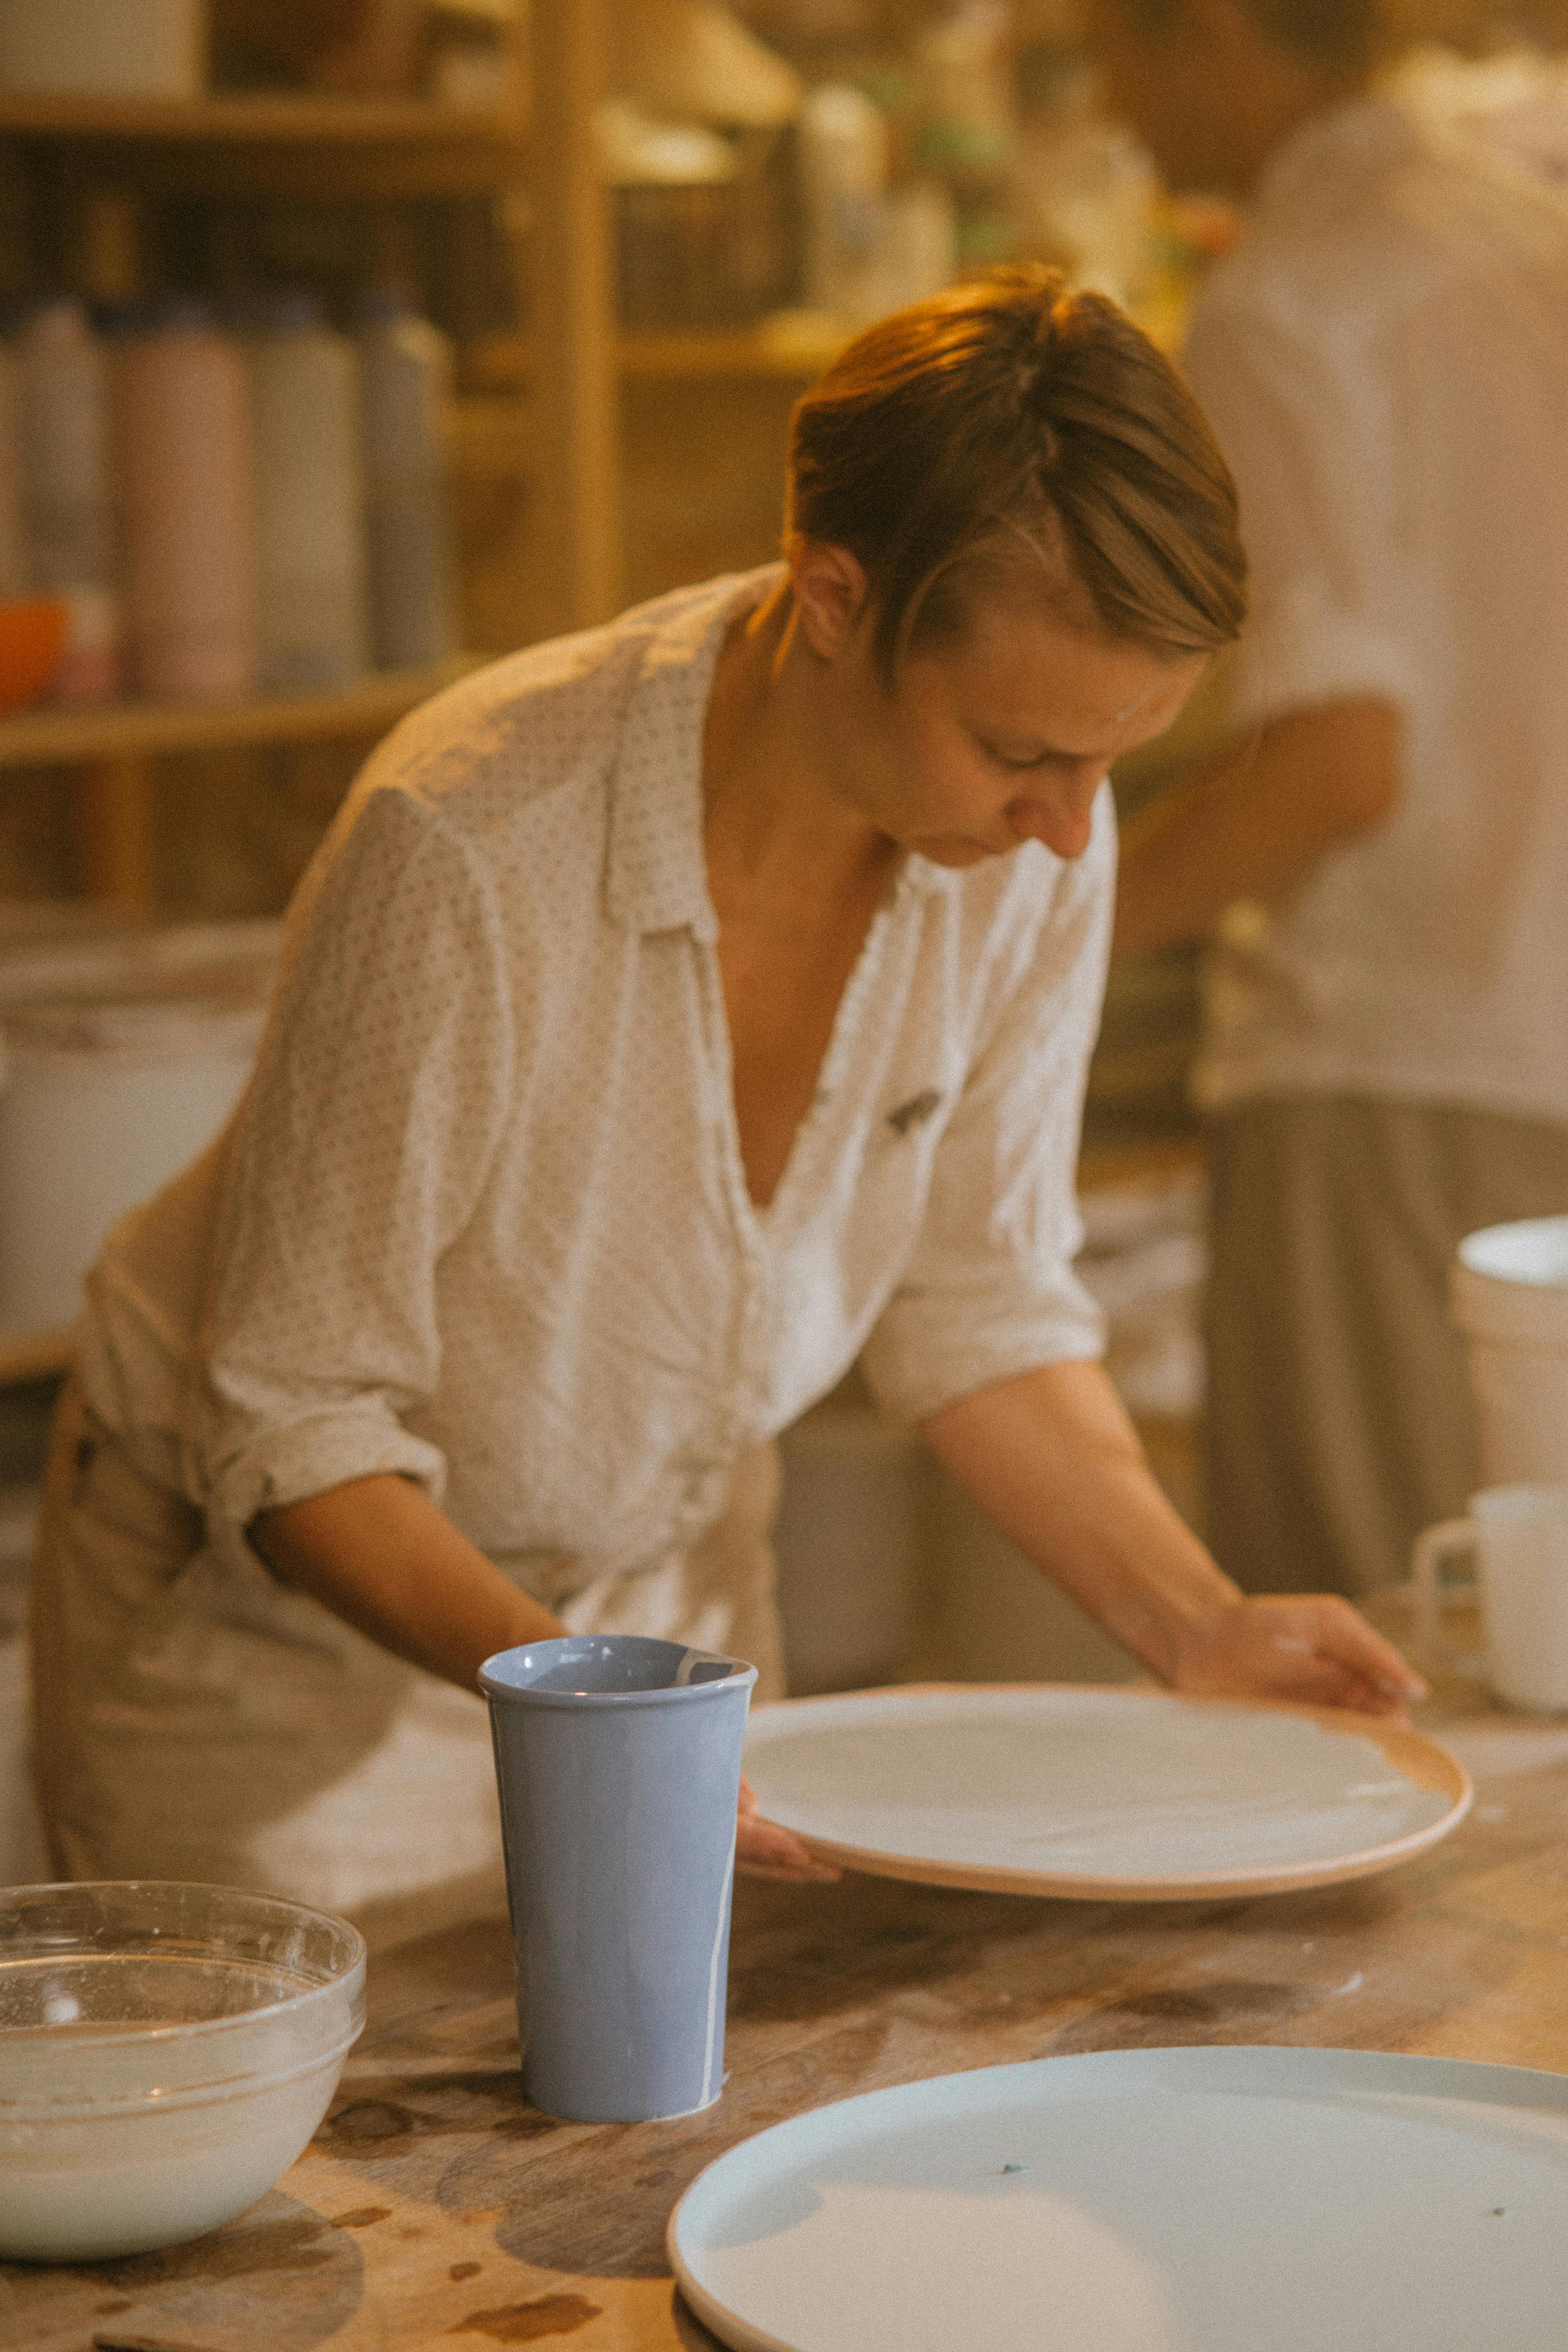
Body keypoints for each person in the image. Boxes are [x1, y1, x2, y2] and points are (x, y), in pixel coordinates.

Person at [29, 268, 1421, 1927]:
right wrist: (588, 1699)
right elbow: (296, 1419)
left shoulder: (1033, 845)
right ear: (832, 599)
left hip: (657, 1620)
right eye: (1018, 752)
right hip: (290, 1656)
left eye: (1112, 761)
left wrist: (1195, 1621)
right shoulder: (472, 846)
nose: (1067, 828)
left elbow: (975, 1302)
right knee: (350, 2156)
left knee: (656, 2128)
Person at [1090, 0, 1568, 1598]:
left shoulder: (1292, 301)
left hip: (1400, 1060)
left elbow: (1337, 761)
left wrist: (1048, 939)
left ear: (1211, 30)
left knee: (1388, 1660)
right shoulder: (1513, 220)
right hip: (1525, 1033)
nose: (1107, 97)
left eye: (1114, 44)